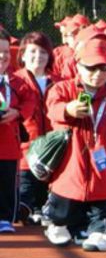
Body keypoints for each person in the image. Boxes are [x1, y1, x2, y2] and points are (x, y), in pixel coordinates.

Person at [43, 39, 106, 251]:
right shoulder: (63, 88)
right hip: (72, 154)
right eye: (91, 67)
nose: (98, 74)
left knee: (102, 195)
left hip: (103, 154)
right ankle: (57, 224)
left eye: (104, 68)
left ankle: (98, 232)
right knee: (66, 195)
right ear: (78, 65)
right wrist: (68, 110)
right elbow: (53, 108)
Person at [16, 33, 58, 227]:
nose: (38, 56)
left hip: (51, 148)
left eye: (43, 52)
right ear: (23, 55)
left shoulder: (58, 82)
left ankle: (41, 209)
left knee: (45, 190)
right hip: (25, 148)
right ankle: (25, 209)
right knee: (26, 189)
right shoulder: (14, 81)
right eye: (32, 51)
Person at [0, 30, 34, 233]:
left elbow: (29, 101)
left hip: (8, 146)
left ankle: (4, 218)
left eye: (5, 51)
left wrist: (17, 113)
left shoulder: (16, 82)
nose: (2, 56)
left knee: (6, 182)